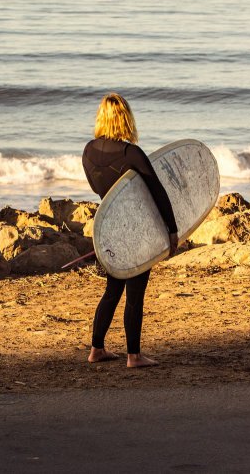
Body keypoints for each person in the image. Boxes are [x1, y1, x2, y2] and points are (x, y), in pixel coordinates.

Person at [82, 93, 178, 368]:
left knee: (112, 290)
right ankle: (134, 355)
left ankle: (96, 349)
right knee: (135, 293)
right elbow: (158, 192)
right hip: (135, 230)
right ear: (125, 118)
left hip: (108, 228)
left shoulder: (88, 151)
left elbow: (97, 188)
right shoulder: (131, 153)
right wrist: (172, 230)